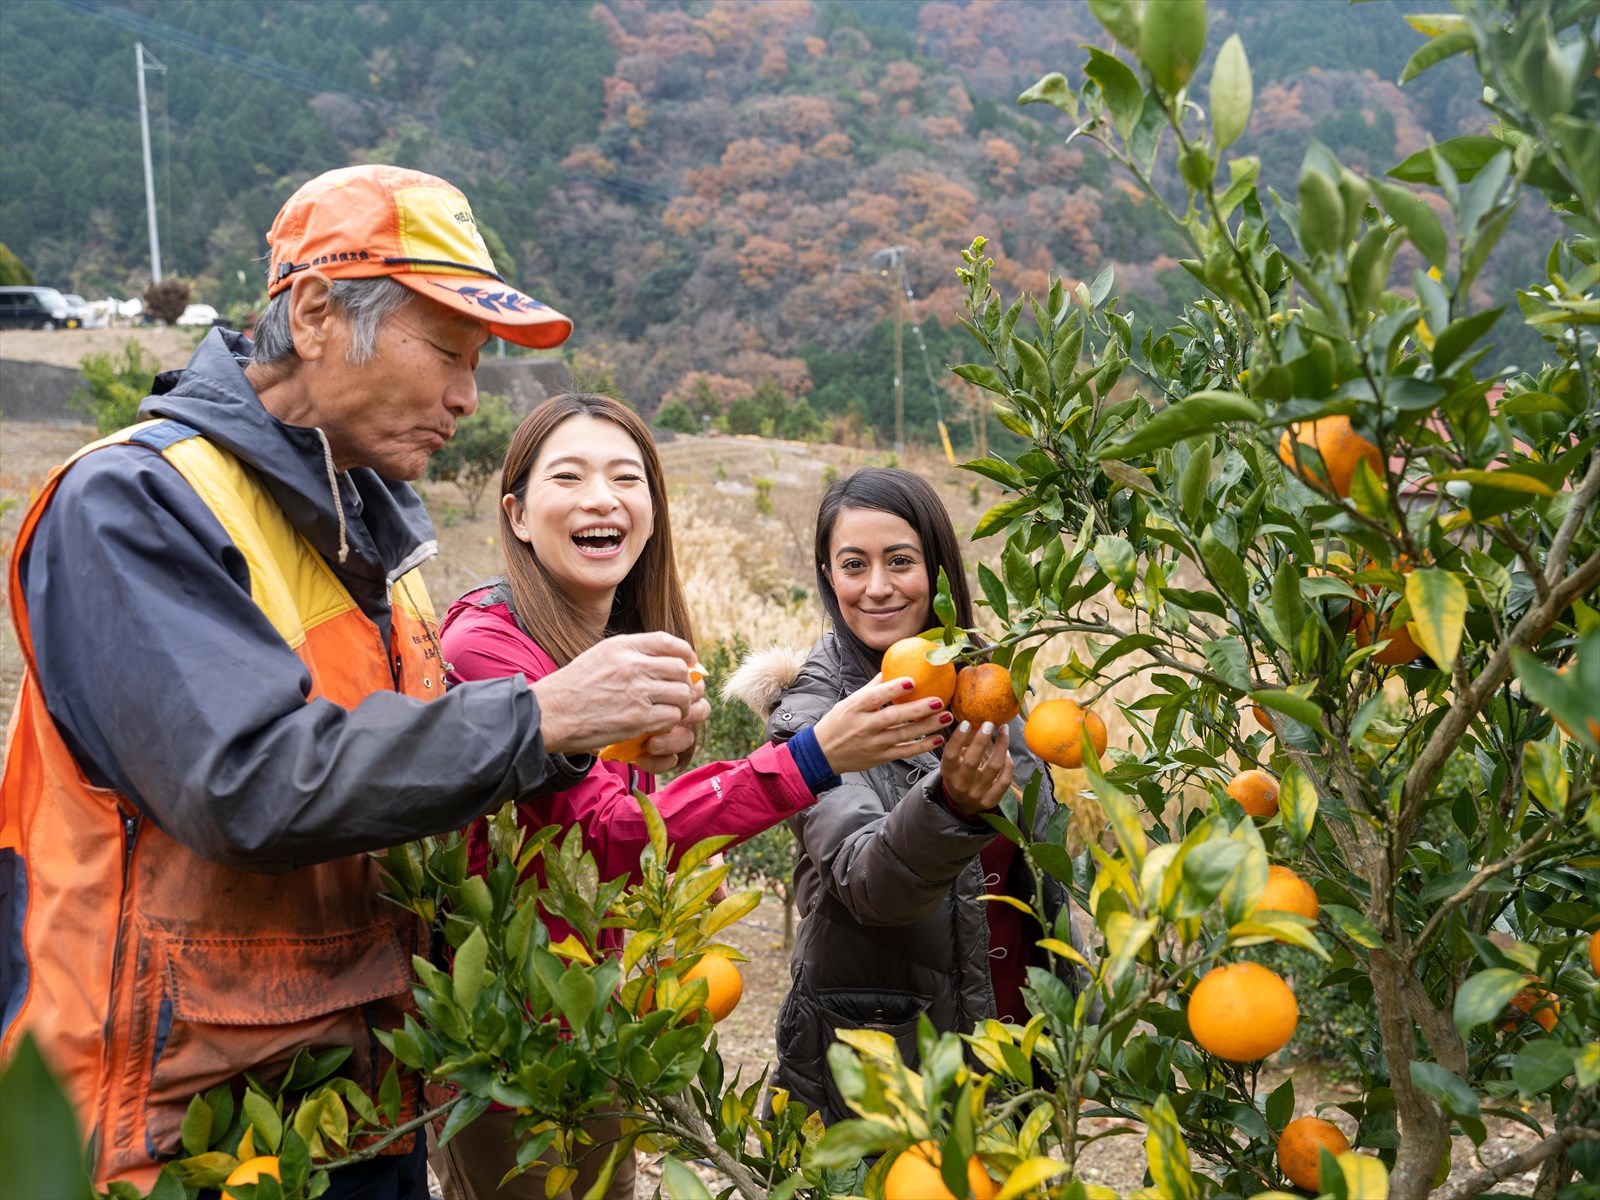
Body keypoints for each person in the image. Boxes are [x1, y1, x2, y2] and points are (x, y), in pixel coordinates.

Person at [0, 165, 717, 1197]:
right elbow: (245, 781)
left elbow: (407, 787)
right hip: (170, 1128)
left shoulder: (375, 545)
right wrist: (541, 714)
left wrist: (584, 746)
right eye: (449, 354)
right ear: (318, 310)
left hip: (355, 1109)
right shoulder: (134, 503)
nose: (469, 399)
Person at [429, 394, 955, 1199]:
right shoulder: (486, 645)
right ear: (518, 514)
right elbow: (608, 841)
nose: (602, 497)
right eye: (569, 476)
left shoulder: (611, 645)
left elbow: (599, 852)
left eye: (626, 477)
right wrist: (812, 757)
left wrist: (649, 762)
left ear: (650, 510)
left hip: (593, 1017)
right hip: (503, 1035)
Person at [727, 467, 1091, 1126]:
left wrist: (1077, 1014)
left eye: (900, 561)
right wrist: (950, 804)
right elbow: (871, 883)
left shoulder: (985, 687)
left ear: (940, 570)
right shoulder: (812, 719)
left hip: (1016, 1051)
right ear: (827, 575)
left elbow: (1039, 869)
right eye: (853, 565)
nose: (877, 587)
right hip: (887, 1069)